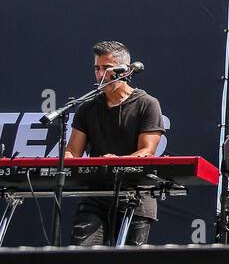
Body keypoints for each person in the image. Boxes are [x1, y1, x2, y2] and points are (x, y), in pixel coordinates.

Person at [65, 41, 164, 245]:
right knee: (80, 259)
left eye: (106, 68)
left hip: (135, 195)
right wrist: (64, 159)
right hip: (95, 195)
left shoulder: (147, 104)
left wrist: (119, 161)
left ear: (125, 71)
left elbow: (147, 151)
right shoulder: (86, 108)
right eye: (97, 68)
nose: (100, 74)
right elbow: (73, 152)